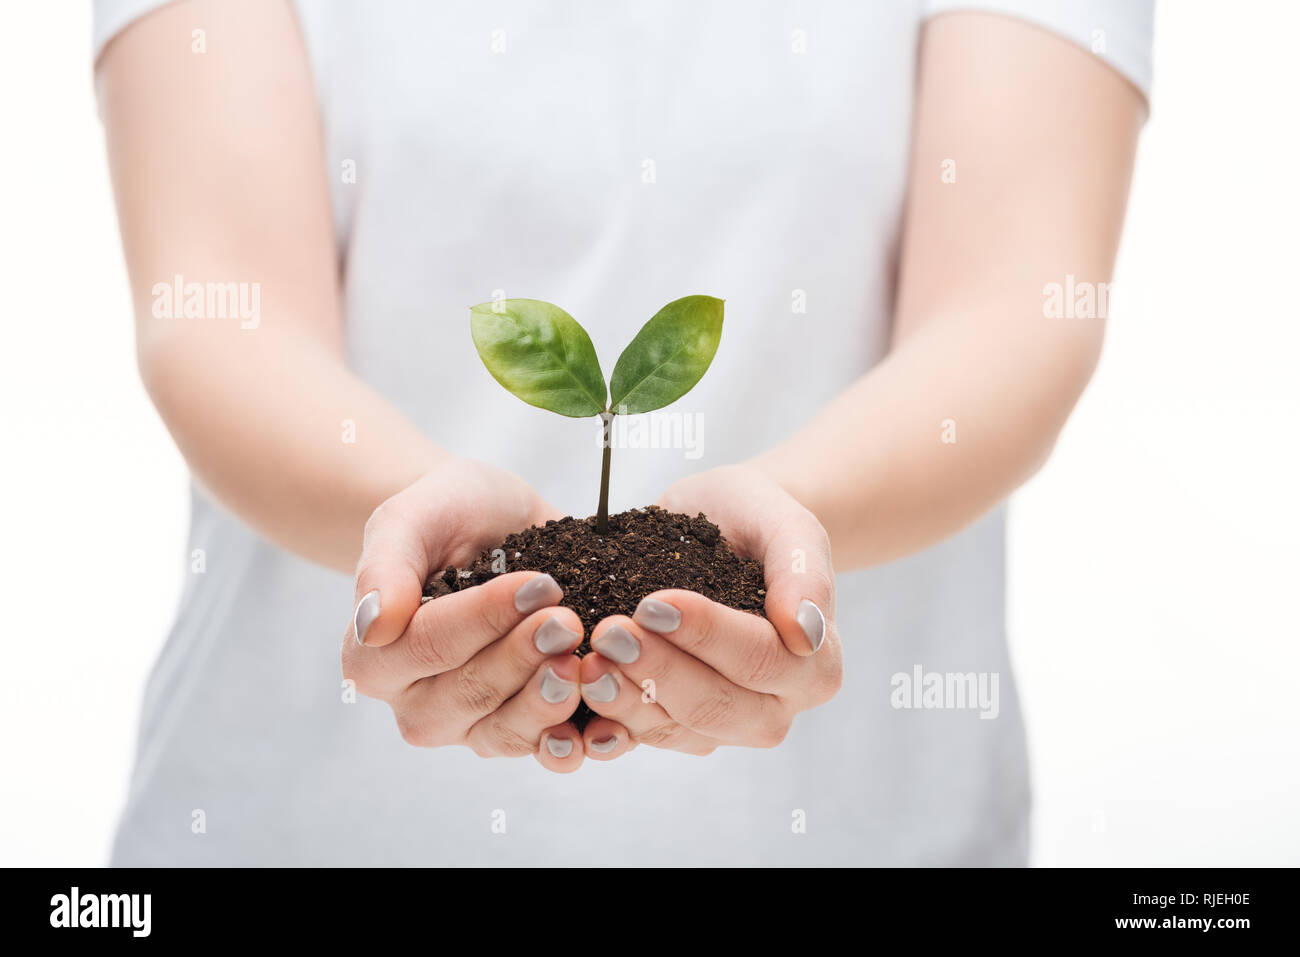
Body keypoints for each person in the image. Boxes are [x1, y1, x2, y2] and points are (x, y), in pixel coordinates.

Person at [95, 0, 1151, 865]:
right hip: (302, 826)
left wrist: (780, 542)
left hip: (861, 830)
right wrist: (425, 546)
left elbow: (1016, 309)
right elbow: (216, 315)